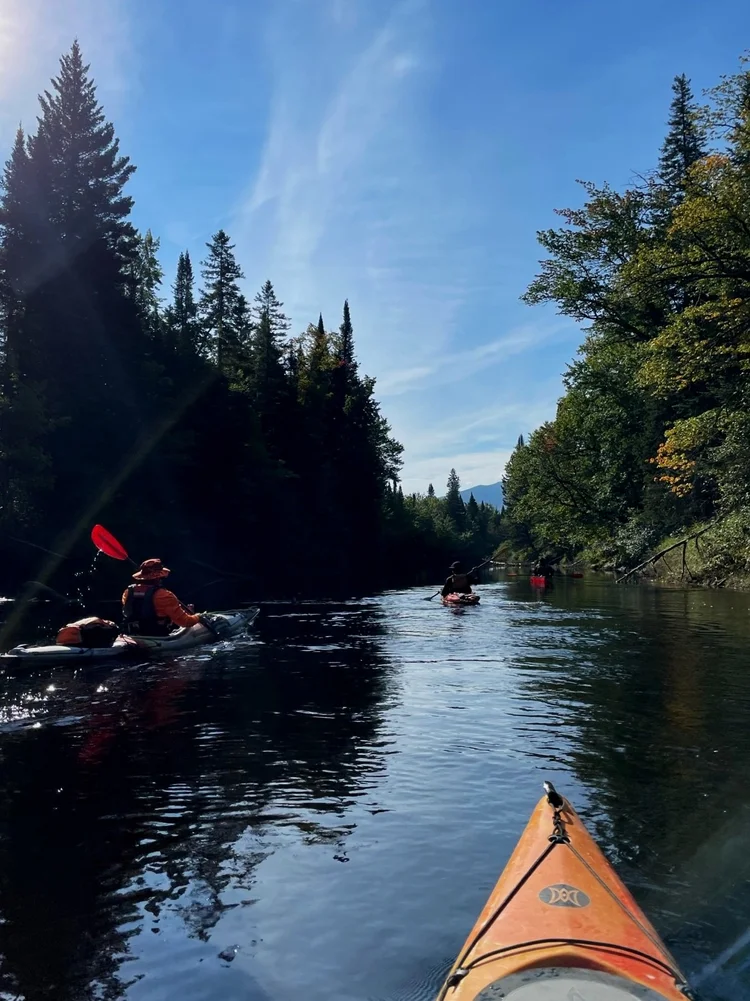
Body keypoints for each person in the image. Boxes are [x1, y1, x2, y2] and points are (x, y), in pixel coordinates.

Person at [122, 558, 202, 636]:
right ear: (158, 577)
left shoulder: (128, 592)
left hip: (131, 633)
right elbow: (186, 622)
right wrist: (199, 616)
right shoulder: (165, 596)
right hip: (157, 635)